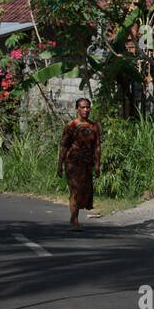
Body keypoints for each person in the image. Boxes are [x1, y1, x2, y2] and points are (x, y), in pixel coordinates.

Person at [58, 98, 101, 228]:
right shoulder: (71, 126)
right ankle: (74, 218)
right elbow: (64, 146)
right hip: (72, 163)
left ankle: (75, 215)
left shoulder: (94, 127)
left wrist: (98, 164)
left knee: (84, 191)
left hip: (87, 164)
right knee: (75, 190)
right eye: (82, 107)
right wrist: (60, 164)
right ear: (77, 109)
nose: (86, 110)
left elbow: (97, 146)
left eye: (88, 107)